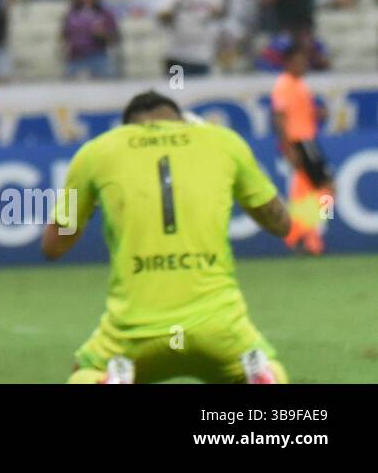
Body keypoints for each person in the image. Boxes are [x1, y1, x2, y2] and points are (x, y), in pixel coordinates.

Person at [43, 90, 292, 383]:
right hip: (219, 327)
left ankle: (107, 379)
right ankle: (260, 376)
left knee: (83, 370)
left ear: (127, 127)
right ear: (180, 120)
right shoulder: (223, 142)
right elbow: (282, 225)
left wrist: (95, 201)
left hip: (134, 332)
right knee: (267, 366)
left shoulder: (97, 153)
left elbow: (53, 246)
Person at [270, 45, 334, 256]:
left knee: (305, 193)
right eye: (300, 61)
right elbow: (279, 117)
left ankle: (302, 237)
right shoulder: (284, 84)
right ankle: (310, 234)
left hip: (306, 140)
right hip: (299, 142)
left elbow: (299, 113)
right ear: (289, 63)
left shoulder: (299, 84)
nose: (304, 64)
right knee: (328, 188)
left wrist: (317, 113)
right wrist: (287, 147)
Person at [155, 0, 221, 77]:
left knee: (201, 92)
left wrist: (211, 10)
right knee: (175, 90)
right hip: (177, 56)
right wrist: (174, 9)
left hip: (201, 56)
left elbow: (218, 12)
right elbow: (161, 15)